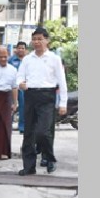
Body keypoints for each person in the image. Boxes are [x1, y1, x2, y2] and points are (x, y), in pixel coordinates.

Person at [16, 27, 68, 175]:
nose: (37, 42)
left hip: (47, 96)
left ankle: (49, 158)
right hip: (31, 95)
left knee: (44, 132)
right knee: (29, 133)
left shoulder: (54, 59)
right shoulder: (27, 59)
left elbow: (62, 82)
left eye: (40, 39)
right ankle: (29, 167)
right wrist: (21, 83)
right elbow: (19, 76)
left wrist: (62, 103)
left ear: (47, 41)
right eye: (34, 39)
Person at [8, 41, 28, 133]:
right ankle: (8, 125)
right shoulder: (11, 60)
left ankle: (22, 127)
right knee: (11, 106)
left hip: (24, 88)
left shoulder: (28, 60)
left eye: (22, 48)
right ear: (16, 49)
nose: (20, 50)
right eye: (19, 48)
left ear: (26, 50)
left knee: (23, 107)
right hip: (12, 88)